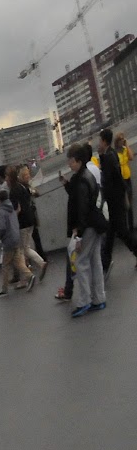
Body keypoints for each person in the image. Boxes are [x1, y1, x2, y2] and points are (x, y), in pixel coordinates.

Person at [65, 142, 108, 318]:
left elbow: (81, 208)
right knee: (95, 261)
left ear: (78, 161)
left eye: (71, 161)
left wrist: (79, 234)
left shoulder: (80, 180)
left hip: (87, 226)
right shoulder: (88, 176)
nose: (69, 164)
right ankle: (99, 298)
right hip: (96, 223)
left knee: (81, 262)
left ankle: (84, 301)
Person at [96, 128, 135, 272]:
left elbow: (110, 179)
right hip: (115, 200)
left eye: (100, 140)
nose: (98, 143)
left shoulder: (109, 157)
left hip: (114, 201)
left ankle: (105, 264)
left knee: (122, 232)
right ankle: (105, 263)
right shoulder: (111, 154)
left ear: (104, 141)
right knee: (111, 233)